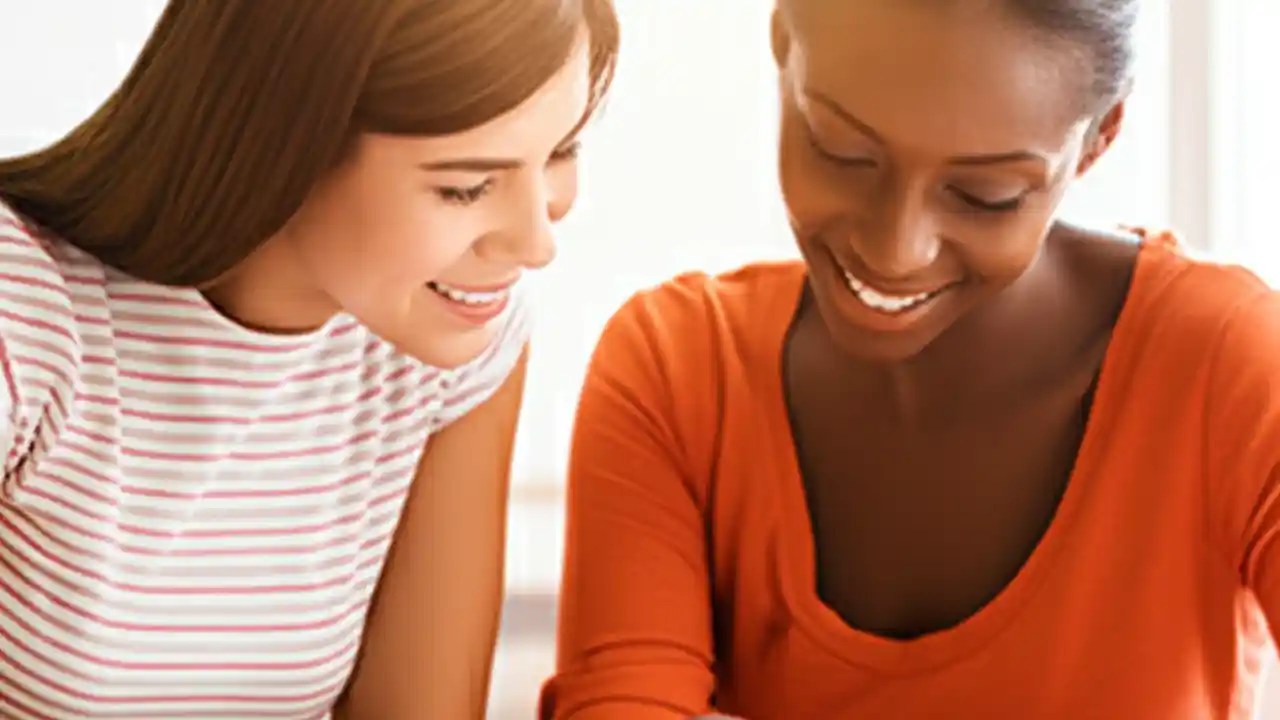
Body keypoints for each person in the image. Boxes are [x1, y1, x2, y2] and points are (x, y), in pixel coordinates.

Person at [541, 1, 1280, 718]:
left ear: (1097, 139)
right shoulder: (680, 374)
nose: (897, 250)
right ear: (783, 45)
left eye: (986, 194)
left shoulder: (1227, 367)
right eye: (843, 151)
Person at [0, 0, 616, 717]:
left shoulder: (451, 338)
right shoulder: (27, 308)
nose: (536, 243)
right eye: (466, 187)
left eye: (560, 153)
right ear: (281, 144)